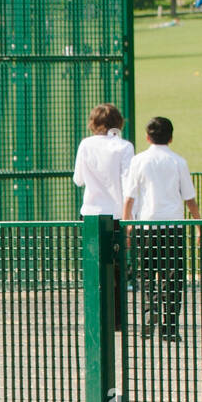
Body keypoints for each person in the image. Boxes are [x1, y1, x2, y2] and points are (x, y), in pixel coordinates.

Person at [122, 116, 202, 342]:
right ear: (171, 137)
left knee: (146, 273)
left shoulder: (138, 161)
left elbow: (129, 198)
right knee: (173, 277)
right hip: (173, 227)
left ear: (147, 137)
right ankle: (170, 328)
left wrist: (127, 226)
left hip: (146, 224)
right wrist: (199, 229)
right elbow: (190, 199)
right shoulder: (178, 162)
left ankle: (150, 310)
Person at [73, 103, 133, 320]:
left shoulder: (85, 144)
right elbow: (128, 182)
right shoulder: (124, 147)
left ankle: (95, 316)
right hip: (116, 214)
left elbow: (78, 179)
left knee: (94, 266)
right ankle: (117, 318)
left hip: (90, 212)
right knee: (117, 267)